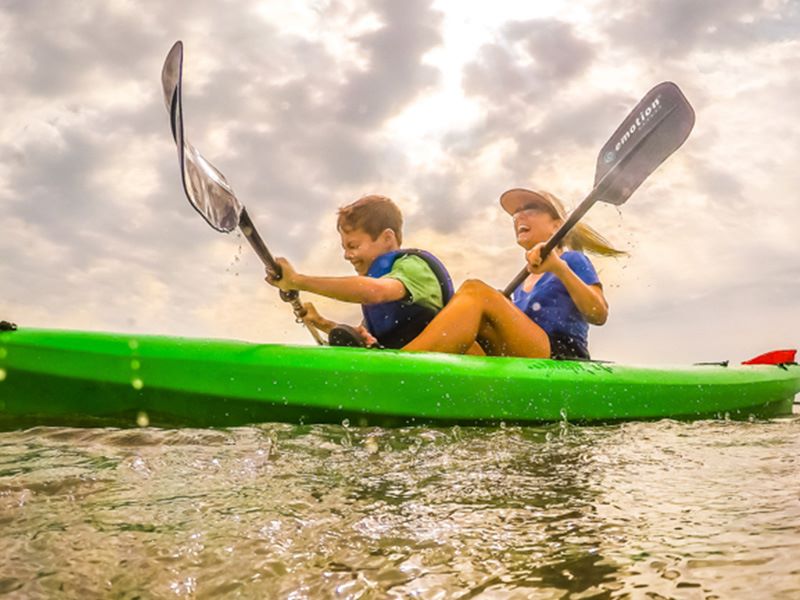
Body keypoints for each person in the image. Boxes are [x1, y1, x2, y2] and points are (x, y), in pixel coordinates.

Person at [404, 188, 625, 360]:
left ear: (557, 226)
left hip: (562, 355)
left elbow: (599, 314)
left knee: (476, 291)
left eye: (530, 209)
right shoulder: (523, 283)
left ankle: (404, 365)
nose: (519, 217)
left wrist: (559, 268)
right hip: (526, 358)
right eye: (516, 213)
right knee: (466, 334)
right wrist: (498, 307)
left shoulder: (572, 260)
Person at [265, 194, 453, 348]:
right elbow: (367, 343)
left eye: (353, 246)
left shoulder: (412, 267)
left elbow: (375, 292)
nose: (347, 255)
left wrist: (297, 280)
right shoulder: (381, 306)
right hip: (401, 367)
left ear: (387, 238)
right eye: (344, 248)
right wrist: (321, 322)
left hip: (431, 369)